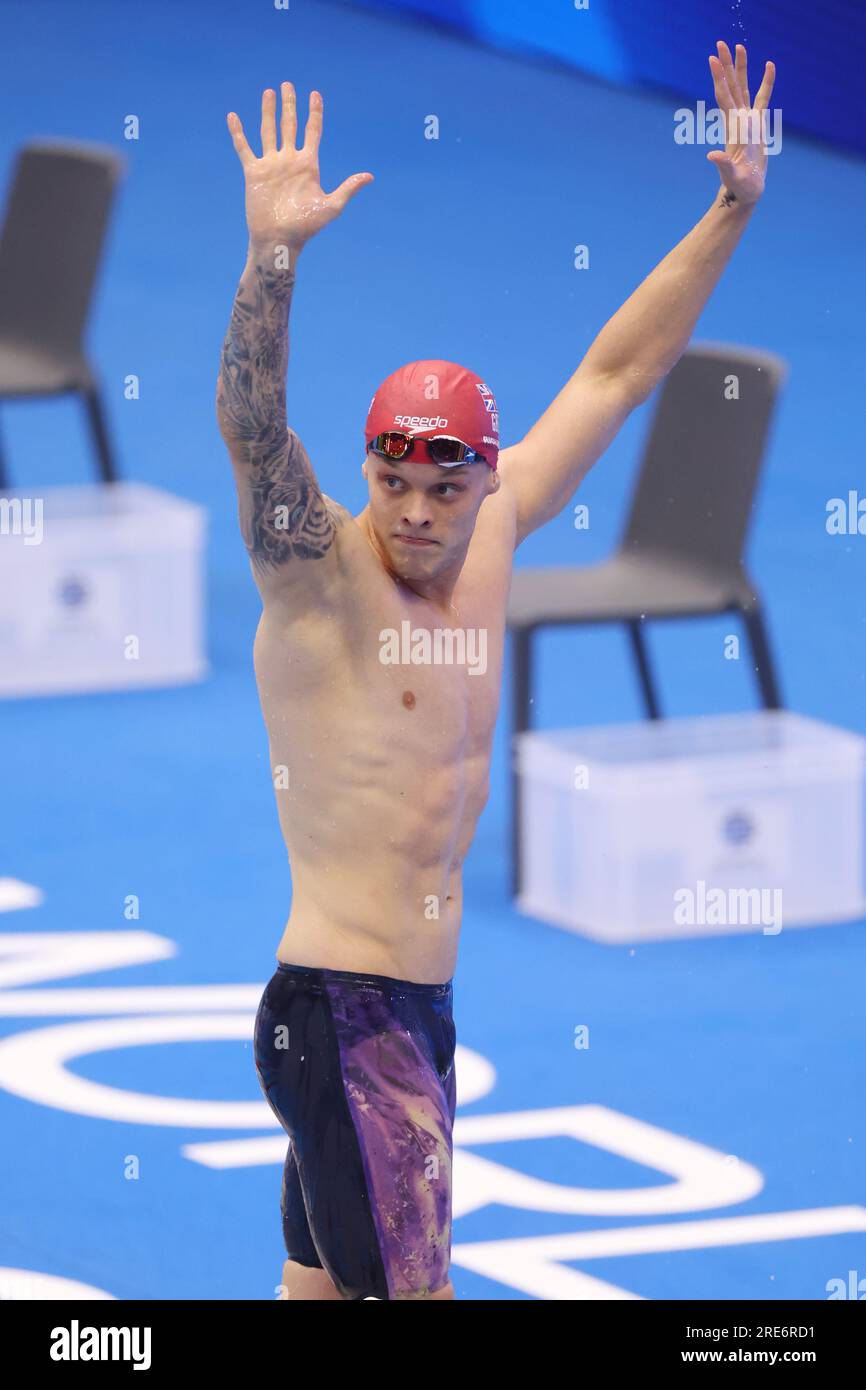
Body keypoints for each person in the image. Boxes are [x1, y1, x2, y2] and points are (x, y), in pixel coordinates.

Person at [216, 45, 776, 1300]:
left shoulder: (504, 522)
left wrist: (732, 205)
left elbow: (619, 370)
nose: (414, 513)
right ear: (365, 475)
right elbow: (253, 431)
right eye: (391, 482)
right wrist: (274, 256)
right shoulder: (319, 575)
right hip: (345, 1012)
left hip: (409, 1018)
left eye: (441, 486)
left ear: (481, 477)